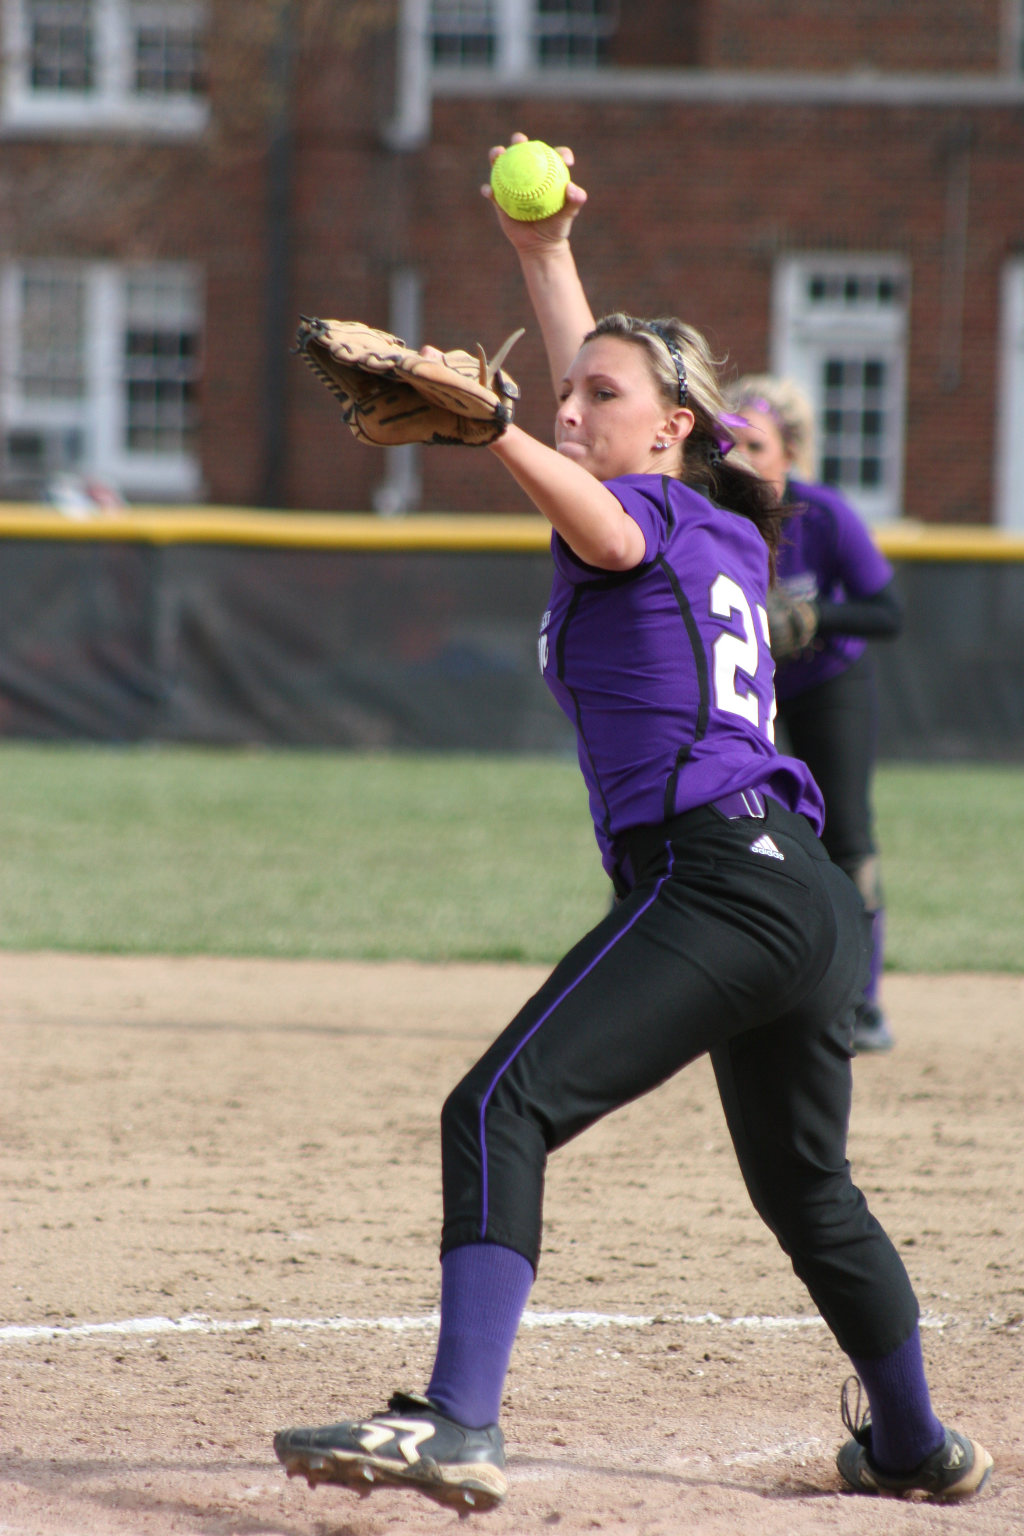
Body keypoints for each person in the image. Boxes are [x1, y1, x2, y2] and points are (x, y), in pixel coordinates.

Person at [273, 137, 991, 1513]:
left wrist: (497, 437)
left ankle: (459, 1423)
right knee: (810, 1193)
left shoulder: (649, 515)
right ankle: (913, 1444)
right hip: (803, 897)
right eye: (565, 395)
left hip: (716, 877)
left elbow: (605, 523)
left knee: (499, 1106)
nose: (569, 403)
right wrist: (539, 257)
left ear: (670, 428)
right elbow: (612, 411)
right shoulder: (725, 523)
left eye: (600, 398)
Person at [725, 377, 902, 1053]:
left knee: (847, 838)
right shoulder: (712, 513)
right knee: (716, 826)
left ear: (790, 453)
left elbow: (888, 612)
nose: (737, 458)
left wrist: (814, 615)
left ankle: (863, 1003)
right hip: (750, 690)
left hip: (829, 682)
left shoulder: (821, 515)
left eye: (755, 445)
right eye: (727, 444)